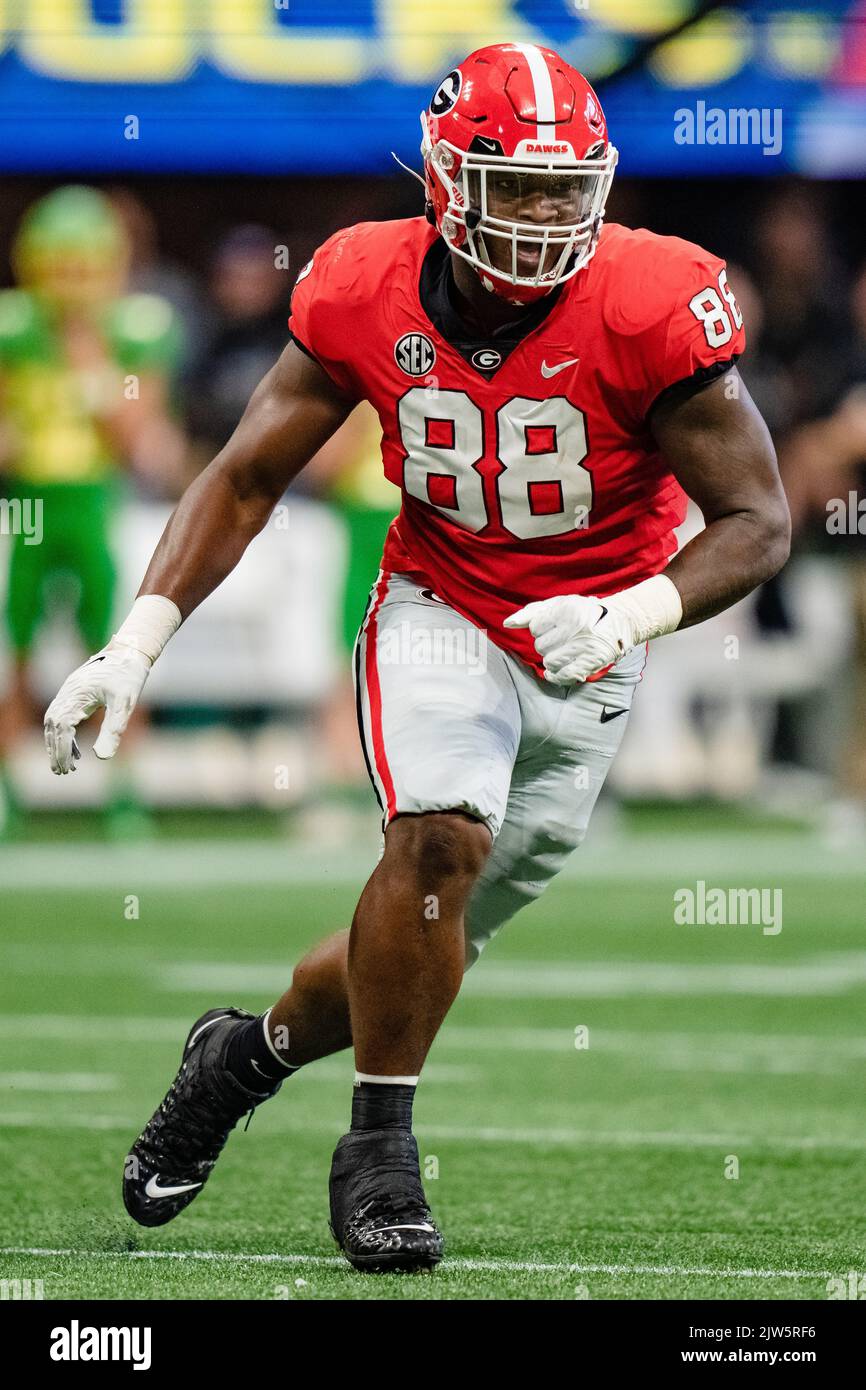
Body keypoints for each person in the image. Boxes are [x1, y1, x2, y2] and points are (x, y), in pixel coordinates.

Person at [43, 45, 790, 1273]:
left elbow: (756, 519)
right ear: (446, 181)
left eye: (569, 189)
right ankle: (379, 1154)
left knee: (420, 937)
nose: (550, 217)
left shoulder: (653, 297)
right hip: (439, 600)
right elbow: (244, 473)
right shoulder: (358, 282)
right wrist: (138, 640)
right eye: (522, 189)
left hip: (594, 638)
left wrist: (628, 616)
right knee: (435, 841)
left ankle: (240, 1058)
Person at [0, 185, 182, 837]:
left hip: (96, 503)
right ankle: (7, 789)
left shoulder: (132, 331)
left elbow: (142, 443)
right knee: (12, 650)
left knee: (113, 650)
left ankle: (124, 788)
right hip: (27, 507)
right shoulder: (15, 330)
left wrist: (89, 362)